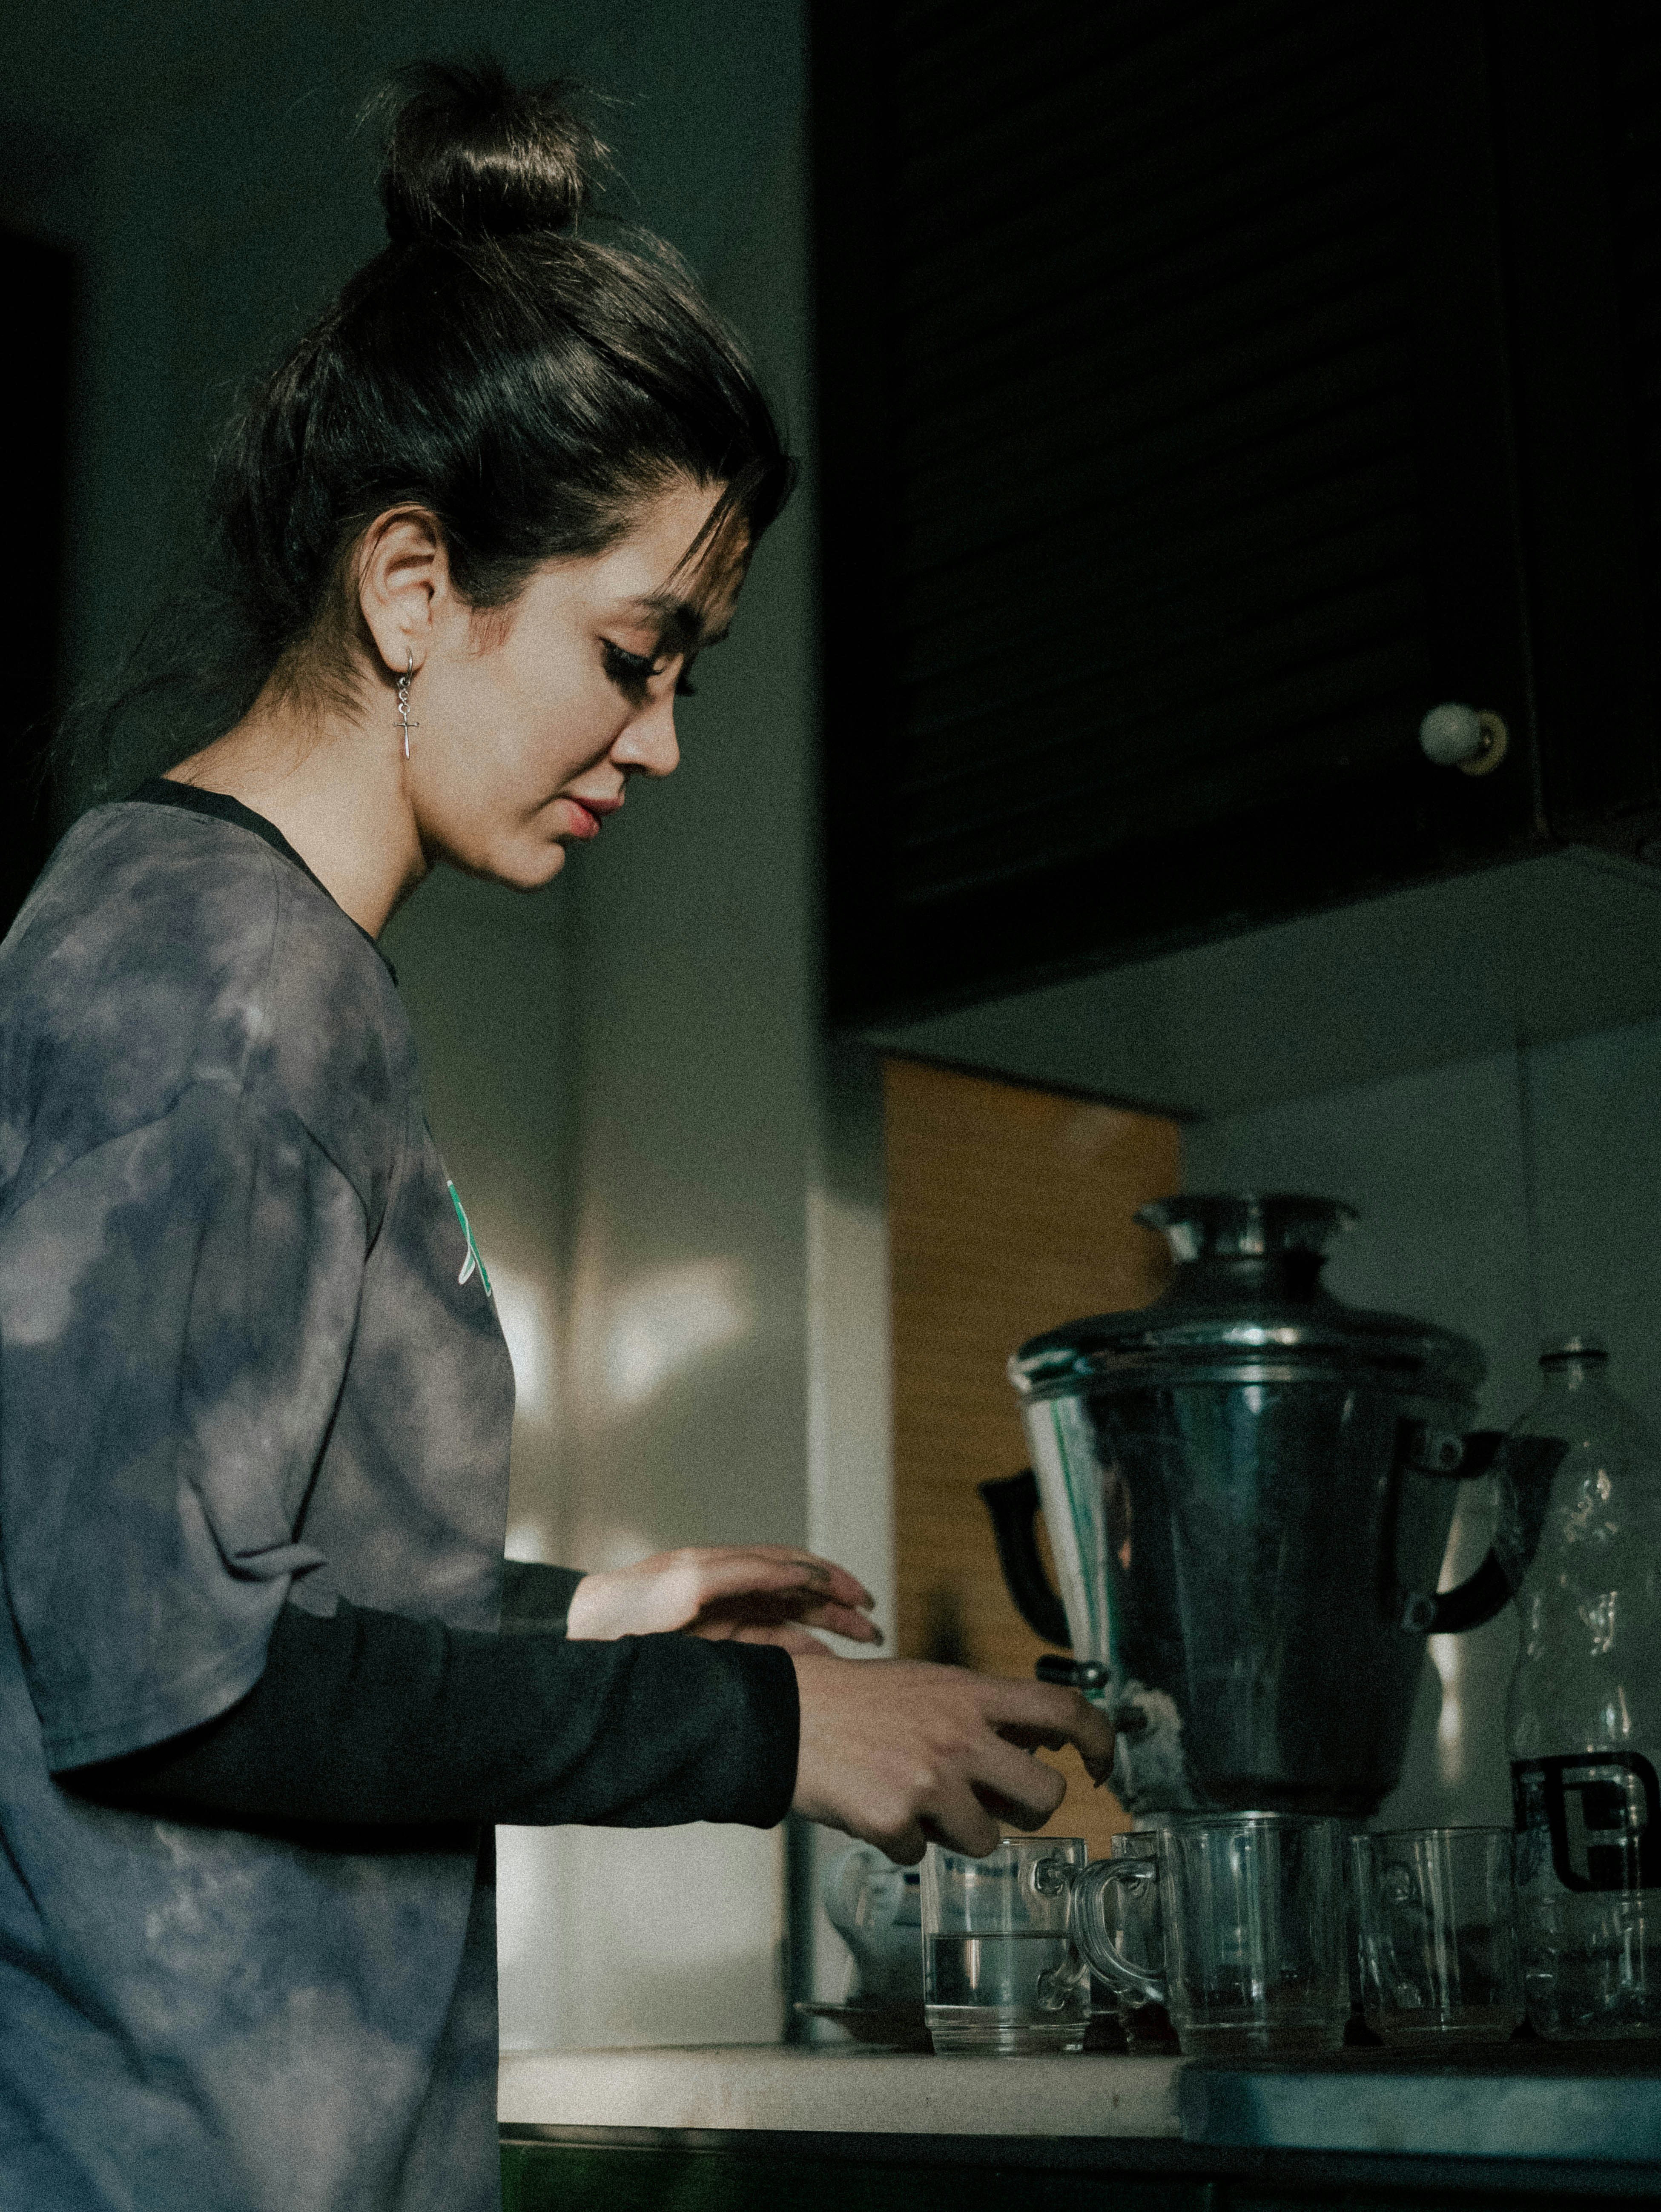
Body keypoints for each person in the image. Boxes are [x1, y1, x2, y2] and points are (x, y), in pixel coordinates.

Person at [0, 60, 1113, 2212]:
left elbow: (184, 1577)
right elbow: (163, 1693)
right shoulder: (214, 986)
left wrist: (580, 1619)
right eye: (636, 651)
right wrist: (772, 1739)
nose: (665, 738)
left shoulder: (238, 956)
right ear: (413, 584)